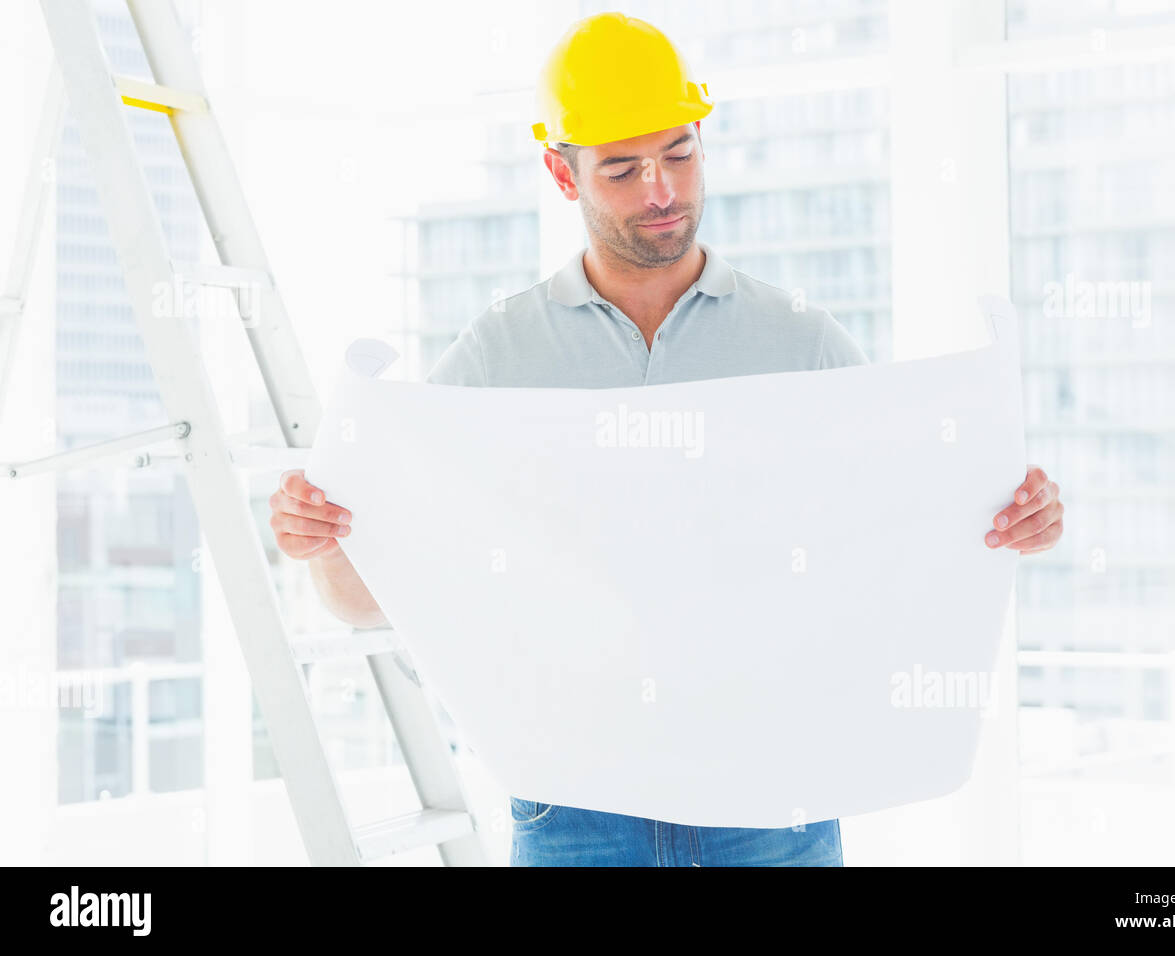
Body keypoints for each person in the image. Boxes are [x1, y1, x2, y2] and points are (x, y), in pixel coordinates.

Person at [269, 11, 1065, 866]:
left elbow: (897, 536)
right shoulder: (495, 358)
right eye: (622, 169)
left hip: (775, 798)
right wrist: (324, 542)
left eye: (679, 154)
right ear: (562, 172)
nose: (661, 192)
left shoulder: (800, 342)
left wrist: (1010, 518)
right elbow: (373, 597)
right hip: (575, 808)